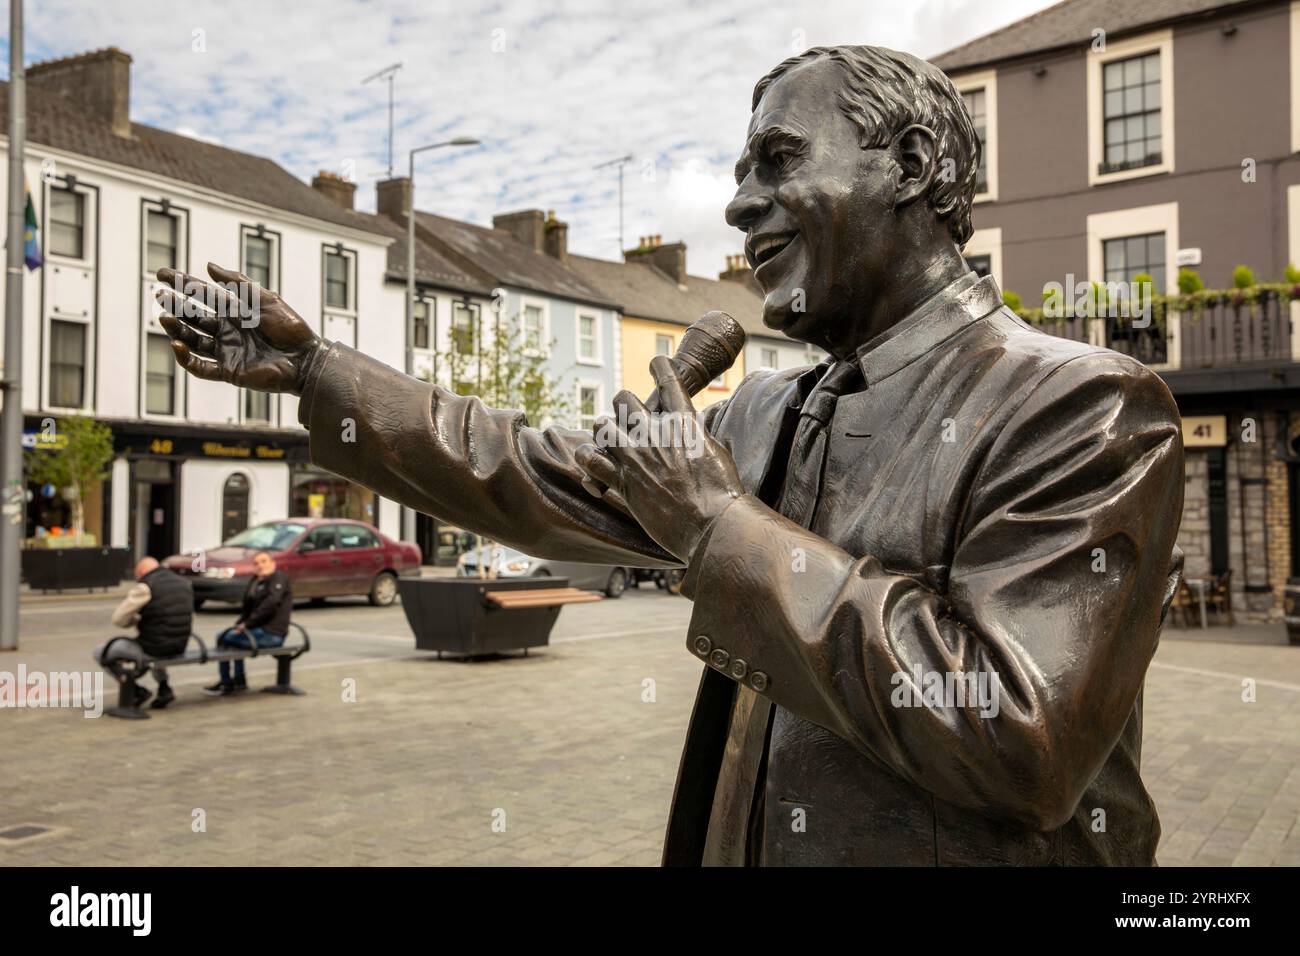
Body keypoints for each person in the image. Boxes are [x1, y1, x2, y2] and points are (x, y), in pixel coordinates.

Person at [158, 45, 1183, 865]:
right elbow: (519, 463)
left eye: (778, 160)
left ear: (908, 167)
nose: (738, 203)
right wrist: (319, 372)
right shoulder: (764, 410)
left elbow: (1020, 732)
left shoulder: (1081, 405)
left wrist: (715, 527)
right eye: (739, 173)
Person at [98, 557, 193, 710]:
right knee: (159, 639)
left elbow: (118, 619)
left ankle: (136, 690)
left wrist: (134, 621)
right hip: (179, 644)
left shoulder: (146, 586)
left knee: (101, 652)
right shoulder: (182, 583)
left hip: (154, 647)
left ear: (140, 572)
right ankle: (164, 687)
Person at [204, 550, 292, 696]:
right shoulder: (256, 582)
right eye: (256, 563)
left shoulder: (278, 578)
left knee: (225, 639)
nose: (260, 566)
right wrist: (238, 625)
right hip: (256, 630)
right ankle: (237, 681)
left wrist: (247, 625)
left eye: (264, 561)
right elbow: (247, 609)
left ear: (273, 563)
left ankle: (228, 683)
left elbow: (270, 604)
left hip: (271, 634)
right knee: (229, 636)